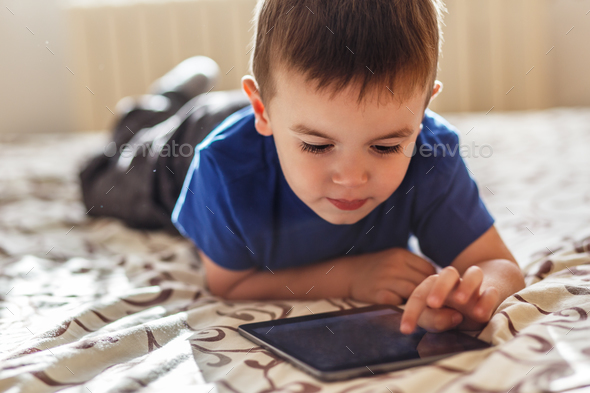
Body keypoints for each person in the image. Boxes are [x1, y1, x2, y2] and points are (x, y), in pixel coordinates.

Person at [80, 0, 525, 335]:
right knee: (103, 176)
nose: (351, 177)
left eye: (387, 146)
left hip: (278, 112)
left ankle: (186, 100)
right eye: (317, 146)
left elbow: (496, 263)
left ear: (425, 108)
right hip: (181, 150)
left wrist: (474, 294)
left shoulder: (433, 155)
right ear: (264, 110)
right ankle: (157, 105)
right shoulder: (221, 168)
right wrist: (353, 276)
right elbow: (229, 285)